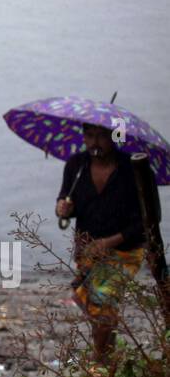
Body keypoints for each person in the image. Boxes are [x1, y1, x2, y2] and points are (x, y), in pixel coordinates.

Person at [57, 123, 157, 356]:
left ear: (115, 137)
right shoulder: (76, 165)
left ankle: (100, 360)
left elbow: (150, 219)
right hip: (87, 250)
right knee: (93, 305)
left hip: (126, 251)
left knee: (101, 301)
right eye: (89, 136)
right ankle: (108, 355)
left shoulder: (134, 170)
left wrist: (109, 242)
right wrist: (63, 207)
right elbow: (66, 201)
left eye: (102, 137)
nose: (95, 143)